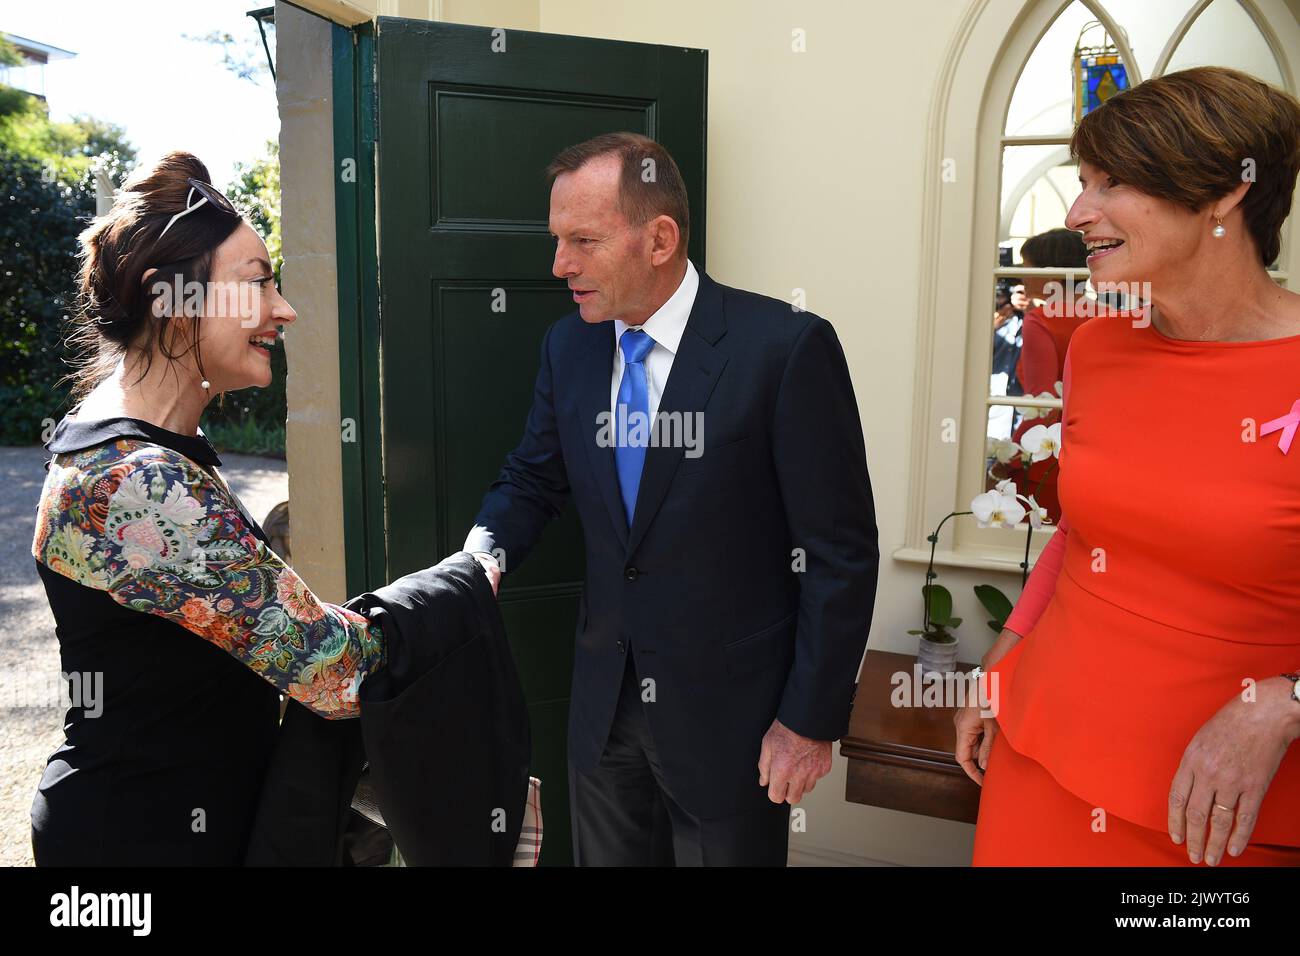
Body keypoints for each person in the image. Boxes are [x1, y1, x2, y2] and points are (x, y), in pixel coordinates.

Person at [464, 132, 878, 866]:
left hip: (736, 726)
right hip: (602, 712)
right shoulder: (570, 346)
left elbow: (838, 554)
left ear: (659, 239)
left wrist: (808, 722)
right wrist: (479, 561)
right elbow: (532, 478)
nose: (559, 265)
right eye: (558, 240)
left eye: (582, 240)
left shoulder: (785, 350)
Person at [33, 152, 431, 864]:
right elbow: (329, 669)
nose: (284, 309)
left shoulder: (146, 442)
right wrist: (462, 587)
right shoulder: (136, 483)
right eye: (257, 282)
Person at [955, 67, 1300, 866]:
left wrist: (1280, 704)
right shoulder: (1101, 346)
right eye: (1082, 184)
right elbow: (1081, 531)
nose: (1078, 213)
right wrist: (1002, 663)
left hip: (1217, 809)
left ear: (1223, 194)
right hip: (1040, 757)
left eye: (1113, 184)